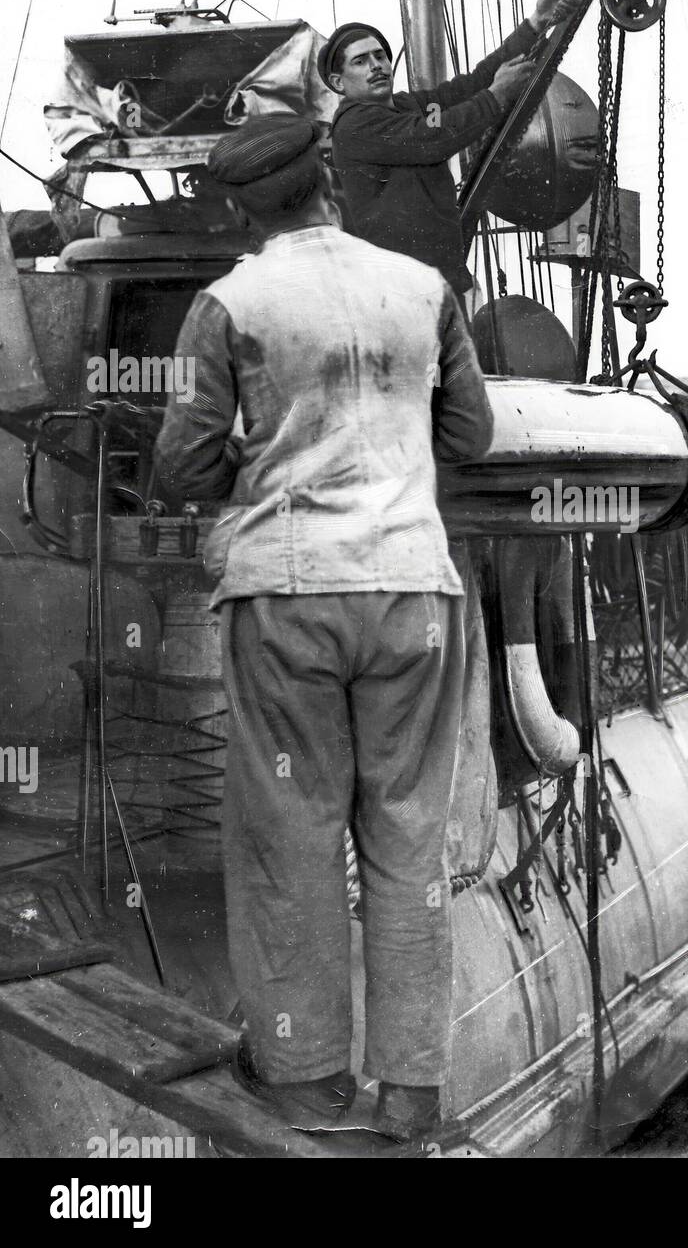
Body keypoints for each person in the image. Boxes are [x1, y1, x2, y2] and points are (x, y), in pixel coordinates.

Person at [154, 115, 494, 1145]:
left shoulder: (228, 304)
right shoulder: (424, 290)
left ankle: (306, 1078)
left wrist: (262, 459)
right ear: (328, 183)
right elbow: (469, 432)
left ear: (240, 205)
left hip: (290, 594)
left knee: (292, 838)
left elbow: (183, 465)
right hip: (415, 596)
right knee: (404, 839)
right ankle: (412, 1092)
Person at [322, 0, 573, 297]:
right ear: (338, 82)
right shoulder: (354, 125)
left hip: (444, 279)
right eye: (361, 61)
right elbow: (430, 138)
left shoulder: (407, 107)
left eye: (380, 56)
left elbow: (469, 87)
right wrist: (495, 97)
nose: (377, 66)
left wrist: (534, 26)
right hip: (403, 292)